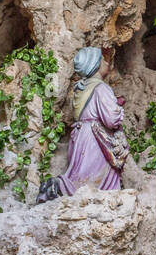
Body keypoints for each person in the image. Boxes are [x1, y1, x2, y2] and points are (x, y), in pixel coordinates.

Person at [36, 46, 127, 203]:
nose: (107, 62)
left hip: (80, 136)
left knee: (82, 172)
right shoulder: (101, 88)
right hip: (96, 140)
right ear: (96, 65)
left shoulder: (81, 90)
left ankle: (58, 188)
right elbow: (111, 120)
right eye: (103, 59)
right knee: (91, 178)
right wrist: (118, 108)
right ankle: (58, 188)